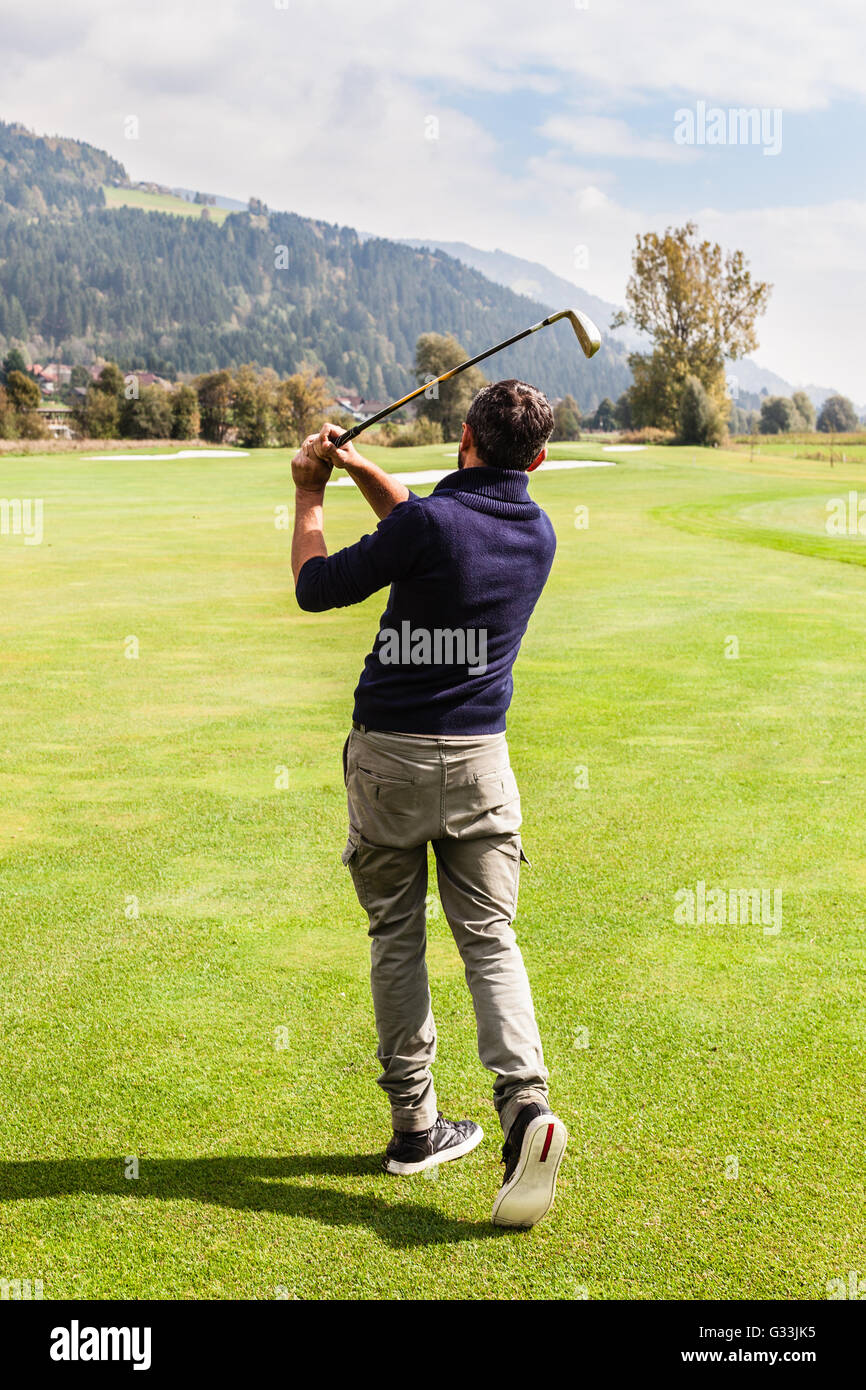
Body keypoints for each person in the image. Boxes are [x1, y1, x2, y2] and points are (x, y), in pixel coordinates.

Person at [291, 379, 567, 1228]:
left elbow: (317, 585)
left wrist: (310, 492)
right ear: (540, 458)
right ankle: (524, 1107)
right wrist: (356, 463)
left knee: (395, 935)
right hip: (482, 765)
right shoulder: (537, 532)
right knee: (489, 937)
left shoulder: (426, 526)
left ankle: (415, 1127)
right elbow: (417, 519)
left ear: (463, 437)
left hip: (390, 763)